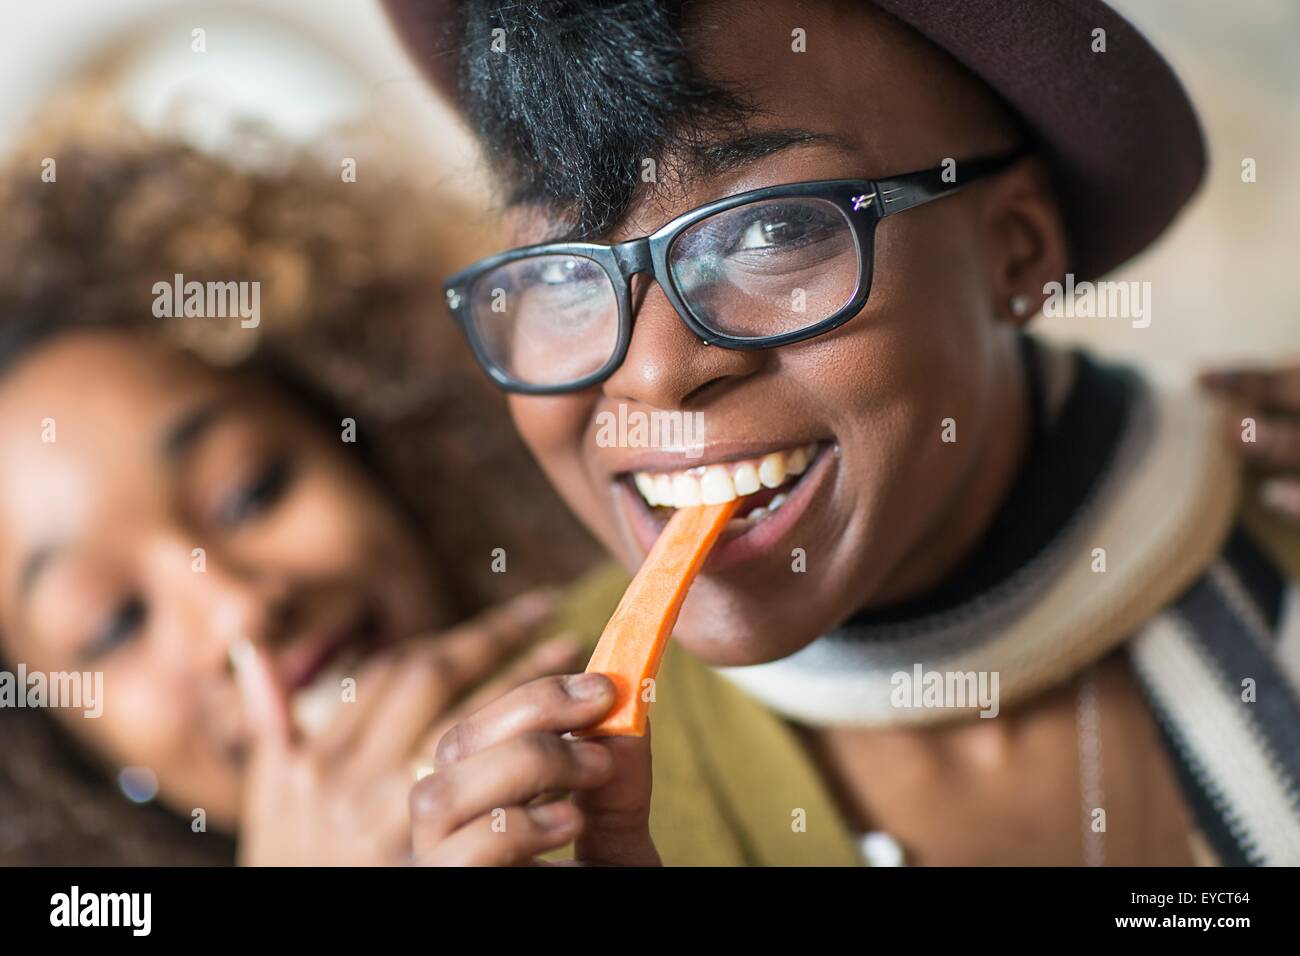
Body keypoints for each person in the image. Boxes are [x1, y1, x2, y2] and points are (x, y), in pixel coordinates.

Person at [381, 0, 1300, 865]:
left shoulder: (1275, 561)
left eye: (772, 229)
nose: (654, 371)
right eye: (563, 272)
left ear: (1017, 248)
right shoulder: (503, 811)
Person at [0, 124, 602, 864]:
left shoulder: (683, 668)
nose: (240, 610)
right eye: (115, 623)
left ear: (368, 441)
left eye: (250, 493)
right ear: (63, 750)